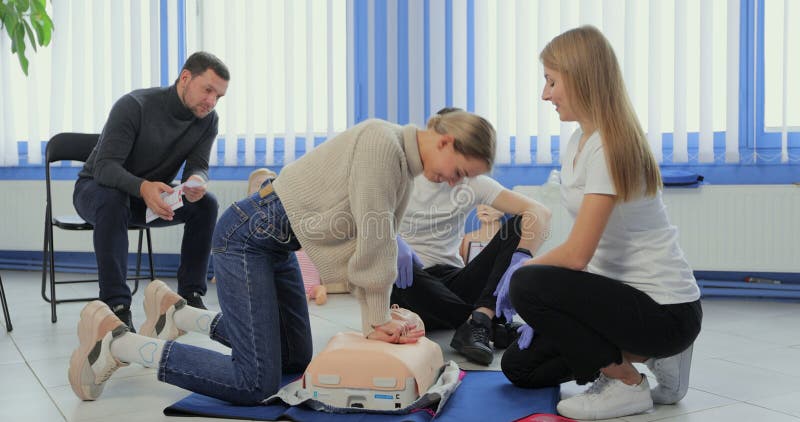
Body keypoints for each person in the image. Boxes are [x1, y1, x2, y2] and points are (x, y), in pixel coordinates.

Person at [68, 110, 497, 404]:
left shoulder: (404, 164)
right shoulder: (383, 145)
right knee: (255, 381)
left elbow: (378, 235)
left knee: (294, 361)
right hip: (247, 236)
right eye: (459, 171)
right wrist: (377, 320)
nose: (452, 181)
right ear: (445, 140)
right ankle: (120, 343)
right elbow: (374, 237)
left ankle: (179, 317)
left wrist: (379, 317)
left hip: (277, 243)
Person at [496, 26, 702, 420]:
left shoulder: (610, 145)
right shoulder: (579, 142)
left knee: (527, 283)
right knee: (519, 368)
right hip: (619, 300)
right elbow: (588, 262)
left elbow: (576, 256)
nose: (545, 94)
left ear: (583, 77)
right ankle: (649, 354)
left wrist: (522, 276)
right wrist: (550, 317)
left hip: (665, 310)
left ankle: (626, 381)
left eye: (552, 81)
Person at [73, 52, 229, 328]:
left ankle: (191, 296)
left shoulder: (208, 120)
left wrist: (195, 182)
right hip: (97, 190)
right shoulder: (134, 106)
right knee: (113, 198)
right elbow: (105, 168)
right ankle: (117, 307)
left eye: (218, 96)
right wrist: (142, 186)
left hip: (148, 197)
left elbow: (198, 165)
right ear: (185, 78)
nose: (211, 101)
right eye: (208, 90)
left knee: (206, 204)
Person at [390, 129, 552, 365]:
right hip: (410, 285)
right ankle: (486, 324)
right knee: (395, 266)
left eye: (462, 170)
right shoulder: (399, 175)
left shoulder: (471, 182)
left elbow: (540, 213)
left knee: (518, 224)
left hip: (452, 282)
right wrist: (391, 239)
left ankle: (480, 319)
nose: (455, 177)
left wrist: (521, 258)